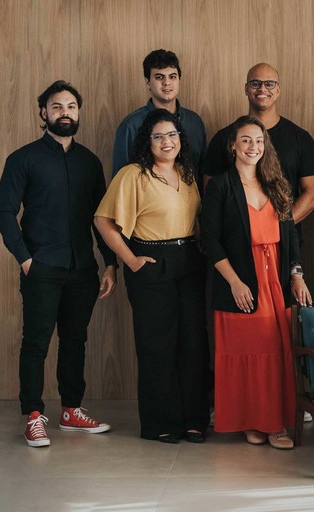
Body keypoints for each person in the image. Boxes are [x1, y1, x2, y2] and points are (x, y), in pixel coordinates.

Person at [0, 80, 116, 447]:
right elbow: (3, 213)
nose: (65, 112)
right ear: (43, 113)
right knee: (36, 343)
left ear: (79, 113)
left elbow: (101, 217)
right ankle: (33, 415)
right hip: (41, 266)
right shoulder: (23, 158)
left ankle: (71, 410)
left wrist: (110, 264)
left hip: (82, 268)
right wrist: (25, 259)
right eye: (57, 106)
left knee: (75, 341)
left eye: (72, 107)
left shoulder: (89, 161)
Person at [94, 109, 210, 444]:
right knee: (157, 343)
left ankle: (195, 420)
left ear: (180, 139)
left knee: (193, 342)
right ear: (147, 141)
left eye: (172, 135)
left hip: (189, 259)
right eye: (158, 136)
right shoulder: (133, 175)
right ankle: (162, 422)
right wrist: (130, 260)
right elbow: (103, 221)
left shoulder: (187, 173)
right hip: (150, 260)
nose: (166, 142)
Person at [202, 116, 312, 450]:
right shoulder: (221, 185)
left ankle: (275, 423)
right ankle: (253, 421)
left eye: (259, 141)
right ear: (233, 145)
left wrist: (296, 274)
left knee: (275, 354)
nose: (253, 147)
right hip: (240, 284)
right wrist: (235, 283)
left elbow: (291, 234)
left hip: (275, 282)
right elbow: (210, 239)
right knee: (249, 355)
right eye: (246, 140)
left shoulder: (277, 184)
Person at [201, 63, 314, 231]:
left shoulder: (300, 138)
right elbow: (210, 192)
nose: (262, 88)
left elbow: (313, 194)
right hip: (236, 238)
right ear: (246, 89)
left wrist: (277, 228)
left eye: (269, 83)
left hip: (285, 240)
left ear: (278, 90)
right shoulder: (224, 138)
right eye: (255, 83)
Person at [112, 49, 206, 177]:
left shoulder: (194, 122)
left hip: (191, 196)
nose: (167, 83)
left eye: (172, 76)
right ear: (148, 83)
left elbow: (202, 171)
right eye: (159, 77)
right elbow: (120, 179)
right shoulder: (131, 126)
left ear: (179, 80)